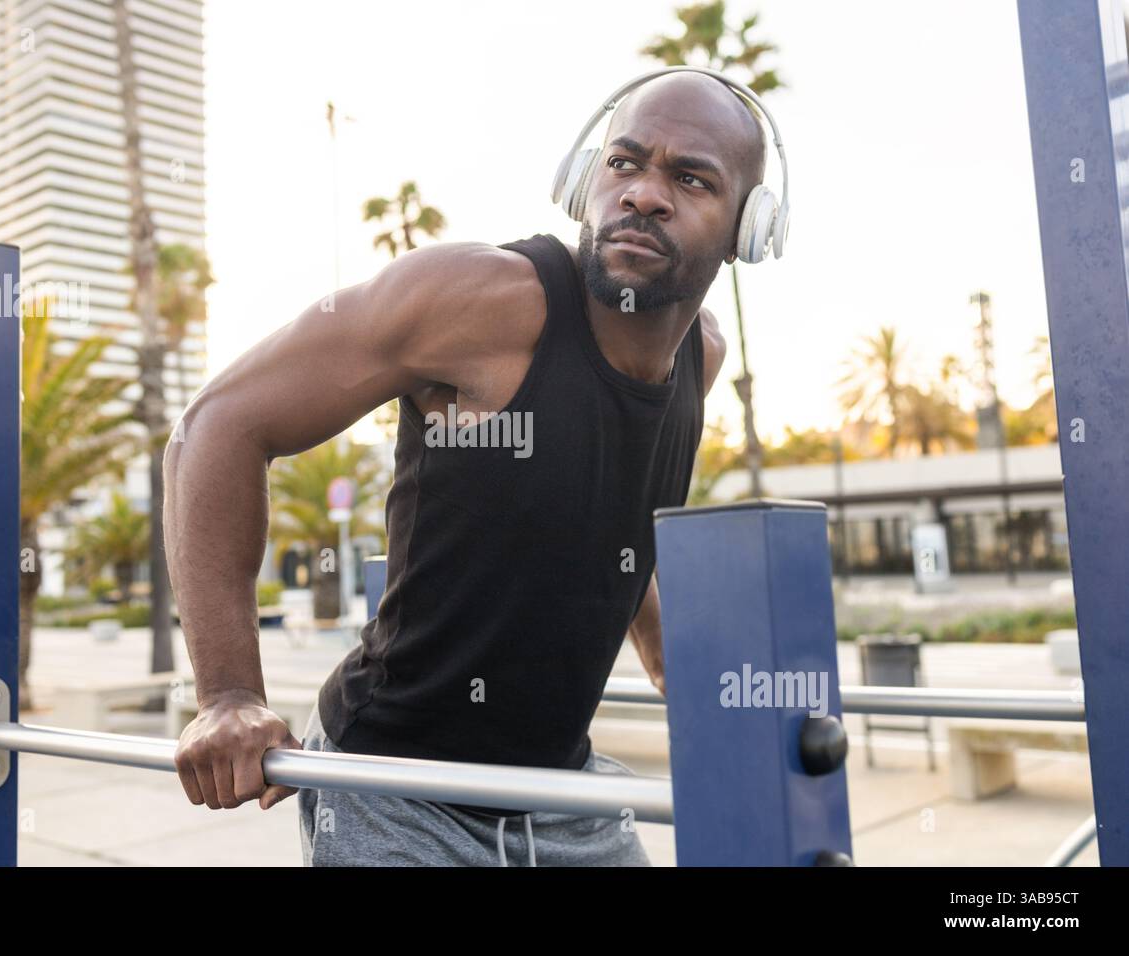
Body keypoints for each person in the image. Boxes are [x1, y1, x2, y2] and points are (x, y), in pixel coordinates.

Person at [163, 70, 775, 866]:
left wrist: (665, 651)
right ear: (584, 181)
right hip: (396, 790)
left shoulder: (701, 361)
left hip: (563, 796)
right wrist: (228, 695)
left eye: (691, 179)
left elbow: (615, 519)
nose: (644, 195)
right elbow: (217, 426)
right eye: (624, 164)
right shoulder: (482, 300)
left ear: (748, 230)